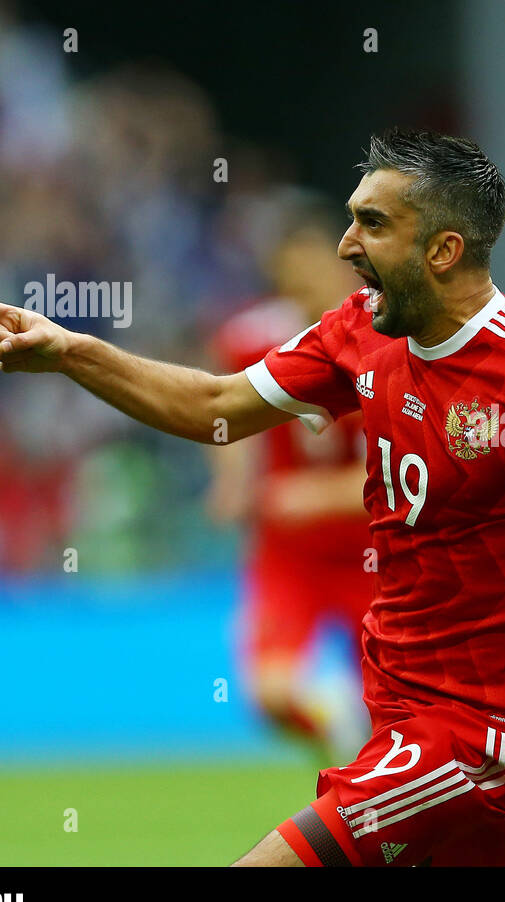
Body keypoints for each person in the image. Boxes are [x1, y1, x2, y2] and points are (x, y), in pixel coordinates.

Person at [0, 128, 505, 867]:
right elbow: (215, 407)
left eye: (372, 224)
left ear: (443, 250)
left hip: (475, 733)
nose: (344, 245)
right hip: (396, 705)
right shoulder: (361, 332)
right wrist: (76, 353)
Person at [207, 190, 370, 760]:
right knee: (272, 694)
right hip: (289, 552)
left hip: (373, 551)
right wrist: (230, 479)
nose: (300, 284)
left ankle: (377, 787)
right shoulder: (250, 339)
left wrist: (315, 495)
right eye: (288, 273)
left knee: (399, 709)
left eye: (310, 268)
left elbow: (397, 471)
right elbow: (226, 414)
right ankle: (342, 735)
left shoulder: (383, 339)